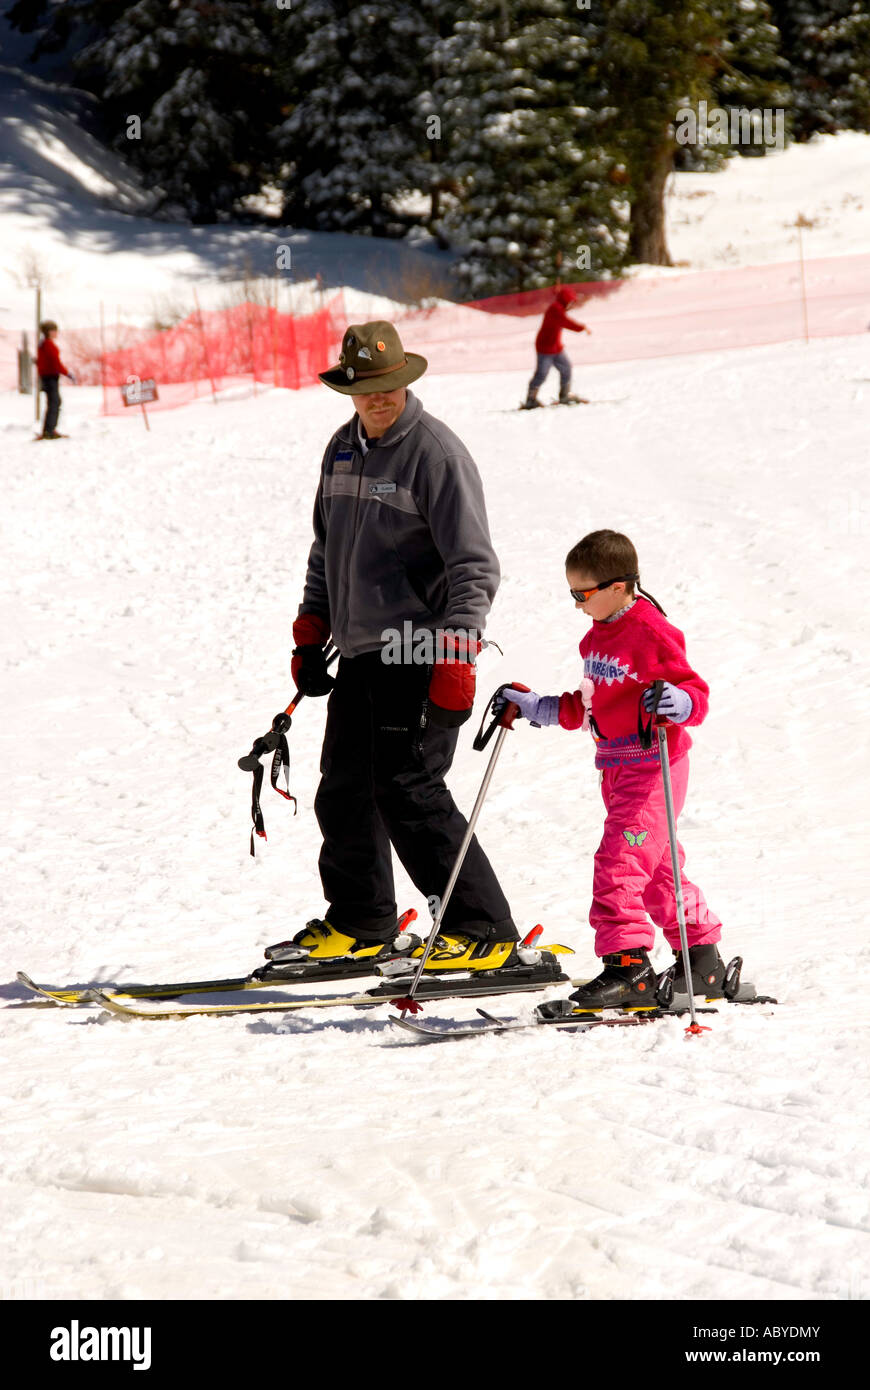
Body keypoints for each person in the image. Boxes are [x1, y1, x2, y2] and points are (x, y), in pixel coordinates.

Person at [288, 320, 521, 974]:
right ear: (350, 390)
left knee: (409, 788)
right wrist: (312, 631)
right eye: (367, 389)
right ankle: (362, 923)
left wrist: (456, 656)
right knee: (344, 791)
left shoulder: (436, 455)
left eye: (390, 386)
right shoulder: (343, 449)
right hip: (364, 652)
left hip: (419, 649)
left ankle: (484, 931)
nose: (379, 398)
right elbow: (325, 549)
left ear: (405, 382)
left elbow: (474, 566)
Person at [500, 529, 728, 1009]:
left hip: (654, 767)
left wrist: (679, 699)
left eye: (583, 594)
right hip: (617, 767)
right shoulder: (596, 638)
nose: (578, 605)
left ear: (618, 586)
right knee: (660, 871)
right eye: (572, 595)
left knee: (620, 863)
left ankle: (628, 967)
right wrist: (539, 707)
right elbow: (591, 705)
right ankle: (702, 961)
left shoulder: (649, 630)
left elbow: (696, 694)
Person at [522, 287, 591, 410]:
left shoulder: (559, 308)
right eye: (571, 301)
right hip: (545, 348)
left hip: (556, 347)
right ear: (566, 301)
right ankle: (530, 400)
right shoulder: (555, 310)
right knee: (542, 374)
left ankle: (565, 395)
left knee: (566, 369)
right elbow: (566, 322)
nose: (572, 305)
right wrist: (582, 327)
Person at [36, 320, 75, 439]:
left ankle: (49, 429)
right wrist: (67, 373)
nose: (57, 333)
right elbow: (55, 362)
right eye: (55, 330)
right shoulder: (48, 344)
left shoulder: (44, 344)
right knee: (54, 403)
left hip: (47, 377)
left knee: (54, 402)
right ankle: (49, 430)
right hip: (50, 378)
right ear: (50, 332)